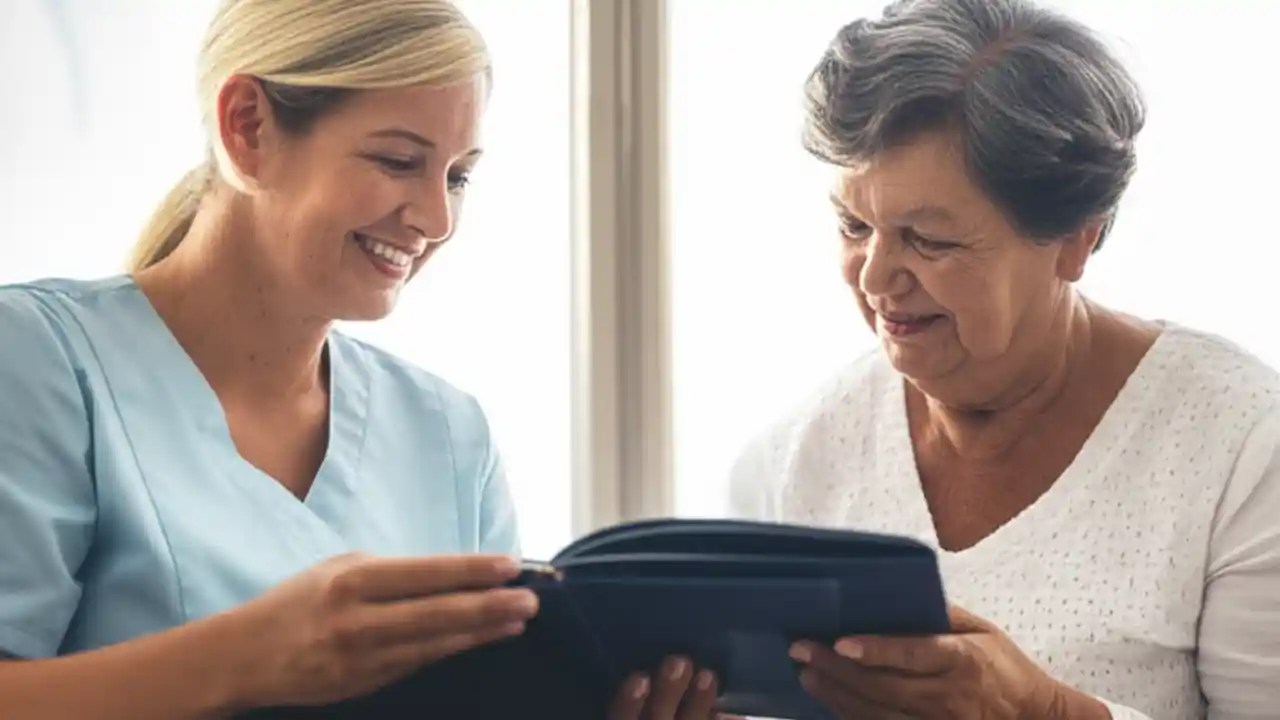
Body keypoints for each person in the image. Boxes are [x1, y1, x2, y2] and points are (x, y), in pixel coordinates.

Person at [0, 1, 719, 717]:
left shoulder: (449, 436)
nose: (436, 220)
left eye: (458, 177)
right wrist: (243, 659)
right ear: (247, 126)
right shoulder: (40, 359)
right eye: (398, 161)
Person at [729, 0, 1280, 718]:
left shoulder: (1242, 450)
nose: (875, 276)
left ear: (1078, 238)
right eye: (854, 225)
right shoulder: (793, 461)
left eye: (929, 240)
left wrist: (1042, 711)